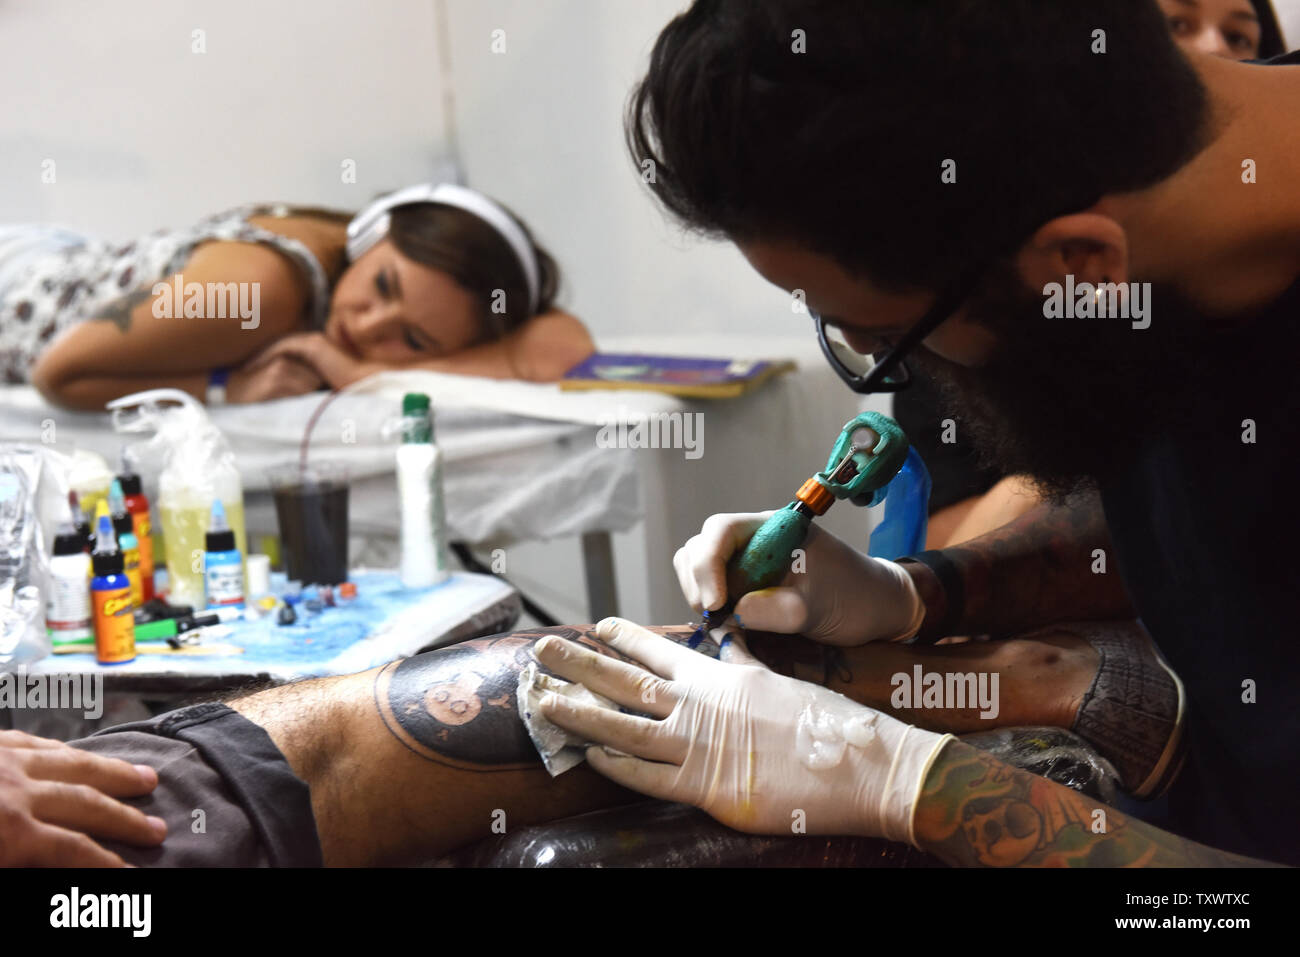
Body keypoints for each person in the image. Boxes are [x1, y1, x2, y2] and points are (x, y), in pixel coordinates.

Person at [4, 184, 593, 409]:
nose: (368, 328)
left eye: (412, 339)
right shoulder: (263, 291)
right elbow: (60, 374)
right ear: (371, 234)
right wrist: (223, 389)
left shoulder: (338, 258)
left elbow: (562, 349)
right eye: (383, 286)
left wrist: (353, 368)